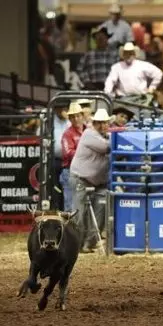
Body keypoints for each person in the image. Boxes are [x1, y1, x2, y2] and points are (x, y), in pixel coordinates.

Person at [70, 108, 111, 253]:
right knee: (80, 213)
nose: (103, 125)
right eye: (100, 123)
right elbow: (106, 147)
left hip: (98, 182)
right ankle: (76, 245)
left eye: (105, 122)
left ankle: (90, 243)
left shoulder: (105, 136)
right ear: (94, 123)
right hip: (81, 178)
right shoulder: (89, 134)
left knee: (100, 211)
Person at [61, 102, 86, 211]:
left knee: (85, 204)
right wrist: (86, 153)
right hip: (70, 172)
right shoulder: (68, 134)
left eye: (78, 116)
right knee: (70, 205)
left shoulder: (88, 131)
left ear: (82, 116)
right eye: (73, 117)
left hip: (86, 172)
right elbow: (68, 152)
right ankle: (69, 227)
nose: (76, 119)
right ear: (70, 119)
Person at [77, 26, 119, 90]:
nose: (100, 40)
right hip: (93, 87)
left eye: (102, 38)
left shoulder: (114, 54)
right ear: (95, 40)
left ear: (107, 39)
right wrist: (87, 82)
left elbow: (119, 70)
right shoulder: (88, 55)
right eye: (98, 38)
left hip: (111, 88)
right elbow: (80, 69)